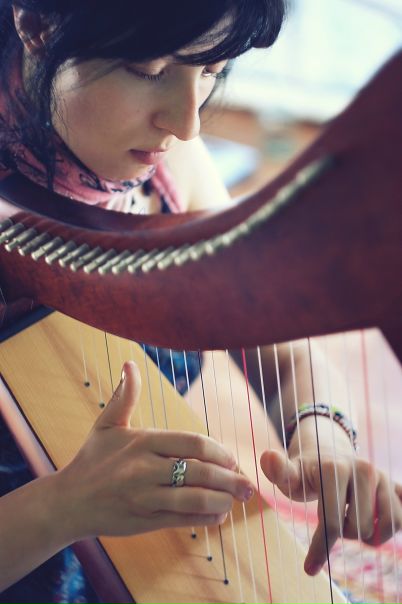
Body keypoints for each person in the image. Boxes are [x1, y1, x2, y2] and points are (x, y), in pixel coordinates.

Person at [0, 1, 400, 602]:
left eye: (212, 70)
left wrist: (323, 435)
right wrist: (64, 505)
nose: (188, 125)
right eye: (149, 70)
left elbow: (282, 349)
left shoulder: (165, 167)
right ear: (37, 23)